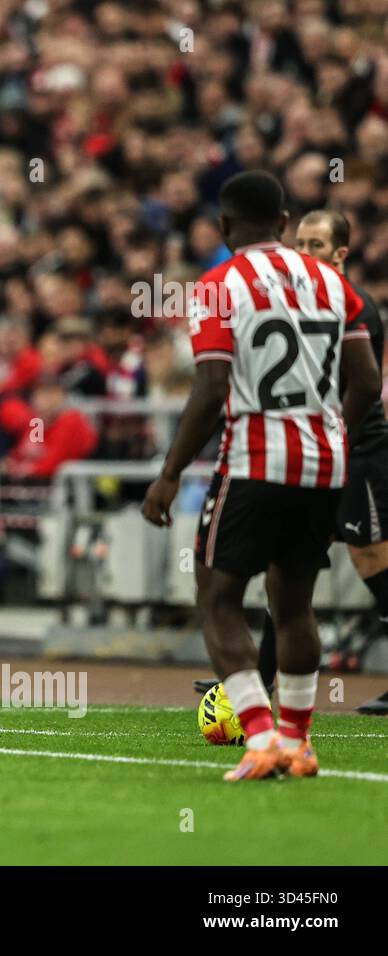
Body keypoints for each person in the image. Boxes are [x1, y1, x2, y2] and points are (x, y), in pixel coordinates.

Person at [141, 171, 380, 782]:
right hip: (324, 462)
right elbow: (369, 382)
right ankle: (298, 743)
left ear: (224, 227)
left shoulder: (220, 285)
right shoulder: (333, 282)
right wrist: (330, 429)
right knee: (293, 601)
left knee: (218, 596)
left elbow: (213, 383)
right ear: (283, 223)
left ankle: (262, 736)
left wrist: (171, 472)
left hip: (254, 458)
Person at [190, 210, 388, 717]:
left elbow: (362, 384)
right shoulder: (303, 297)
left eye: (317, 244)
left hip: (358, 450)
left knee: (371, 559)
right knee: (288, 573)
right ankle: (258, 680)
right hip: (314, 455)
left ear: (341, 253)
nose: (305, 251)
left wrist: (332, 433)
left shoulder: (356, 304)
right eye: (299, 241)